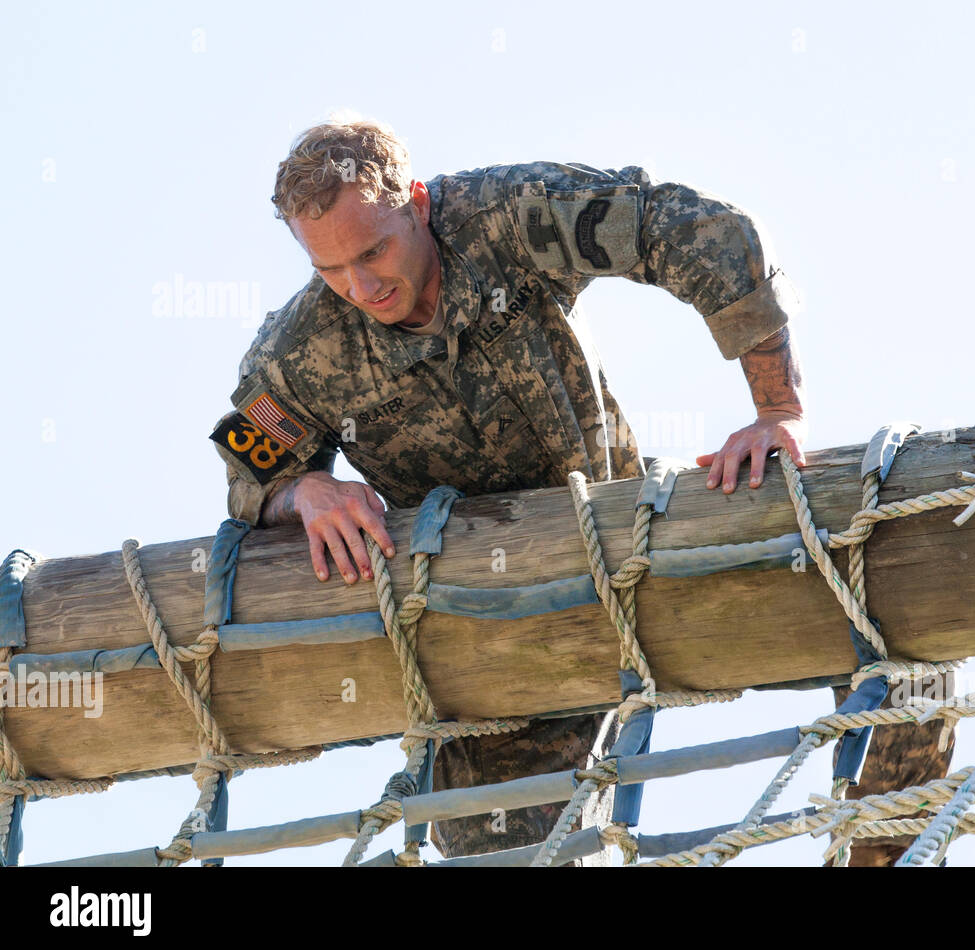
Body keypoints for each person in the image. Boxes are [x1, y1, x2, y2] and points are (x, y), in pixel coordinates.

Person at [210, 115, 815, 861]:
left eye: (374, 251)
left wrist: (775, 411)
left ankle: (890, 840)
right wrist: (303, 490)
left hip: (628, 545)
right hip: (476, 628)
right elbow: (248, 468)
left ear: (420, 204)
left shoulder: (509, 220)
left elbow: (699, 231)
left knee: (881, 631)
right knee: (493, 848)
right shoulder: (303, 348)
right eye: (332, 270)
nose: (361, 287)